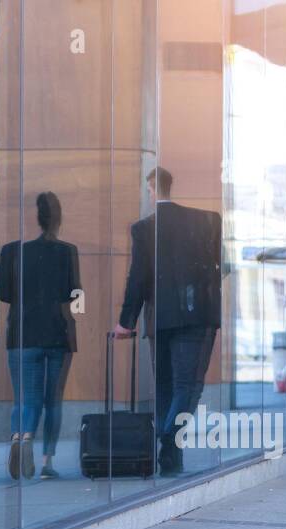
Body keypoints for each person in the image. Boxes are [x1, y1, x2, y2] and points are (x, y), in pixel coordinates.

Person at [113, 167, 222, 477]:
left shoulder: (144, 229)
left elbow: (137, 278)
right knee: (188, 386)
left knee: (165, 386)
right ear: (171, 187)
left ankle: (170, 454)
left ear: (152, 189)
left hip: (159, 318)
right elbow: (217, 268)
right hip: (198, 316)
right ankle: (168, 437)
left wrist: (126, 322)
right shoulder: (206, 222)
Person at [0, 191, 80, 481]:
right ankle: (47, 462)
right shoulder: (66, 251)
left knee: (24, 399)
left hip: (21, 333)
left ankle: (22, 437)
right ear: (57, 219)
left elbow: (2, 294)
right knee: (52, 400)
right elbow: (73, 292)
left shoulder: (10, 251)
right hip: (56, 332)